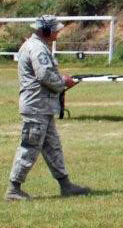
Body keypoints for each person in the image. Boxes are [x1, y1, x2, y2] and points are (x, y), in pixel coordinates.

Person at [6, 15, 91, 201]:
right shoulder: (37, 48)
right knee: (29, 147)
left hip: (42, 107)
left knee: (53, 147)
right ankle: (13, 189)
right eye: (55, 30)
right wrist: (63, 82)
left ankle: (65, 185)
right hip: (36, 107)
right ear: (45, 30)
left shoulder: (35, 46)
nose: (57, 34)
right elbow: (44, 74)